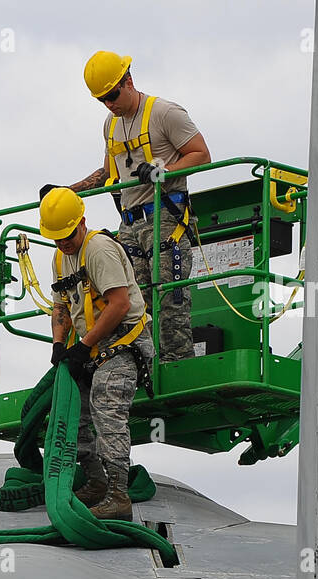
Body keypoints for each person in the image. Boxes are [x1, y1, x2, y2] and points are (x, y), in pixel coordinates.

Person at [45, 51, 210, 363]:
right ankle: (143, 365)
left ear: (128, 80)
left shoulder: (164, 113)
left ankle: (176, 367)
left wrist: (162, 170)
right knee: (136, 303)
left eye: (112, 95)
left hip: (164, 218)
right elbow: (107, 173)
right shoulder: (111, 125)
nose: (109, 104)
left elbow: (201, 154)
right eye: (102, 99)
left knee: (171, 298)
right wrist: (66, 192)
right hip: (130, 225)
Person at [41, 188, 152, 520]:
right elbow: (61, 306)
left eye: (68, 235)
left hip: (124, 344)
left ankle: (119, 495)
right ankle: (96, 482)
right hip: (89, 348)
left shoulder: (99, 249)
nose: (64, 243)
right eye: (57, 238)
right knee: (75, 410)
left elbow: (118, 304)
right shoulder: (61, 258)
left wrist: (84, 345)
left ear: (82, 223)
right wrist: (60, 345)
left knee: (105, 402)